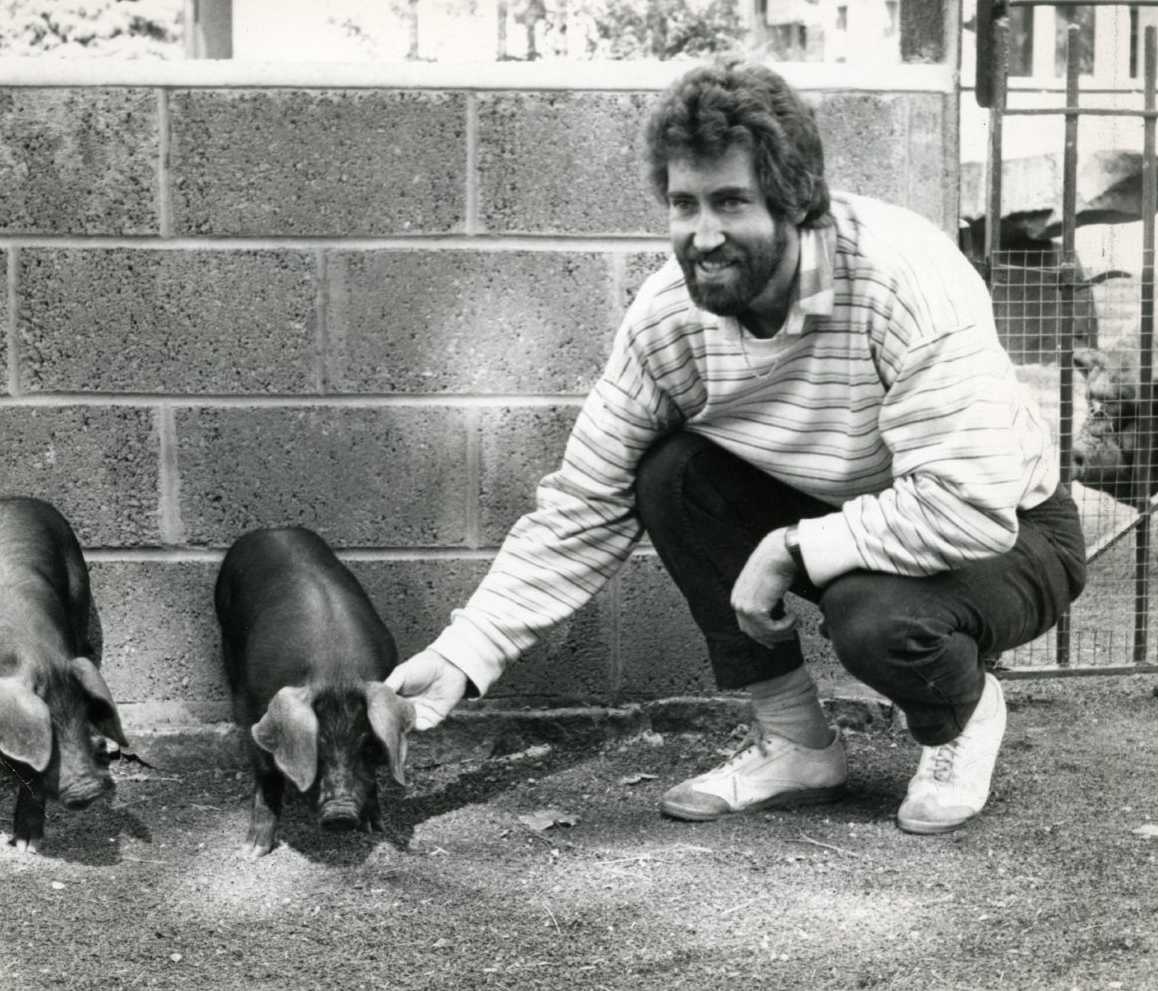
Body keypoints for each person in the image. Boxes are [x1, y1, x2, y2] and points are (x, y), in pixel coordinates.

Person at [384, 61, 1087, 835]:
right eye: (684, 204)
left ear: (797, 202)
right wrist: (463, 652)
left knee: (877, 619)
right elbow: (583, 505)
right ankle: (795, 745)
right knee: (672, 476)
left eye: (731, 203)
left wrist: (792, 546)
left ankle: (962, 715)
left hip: (1010, 533)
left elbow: (967, 506)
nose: (702, 234)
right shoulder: (667, 320)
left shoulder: (904, 278)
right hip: (852, 512)